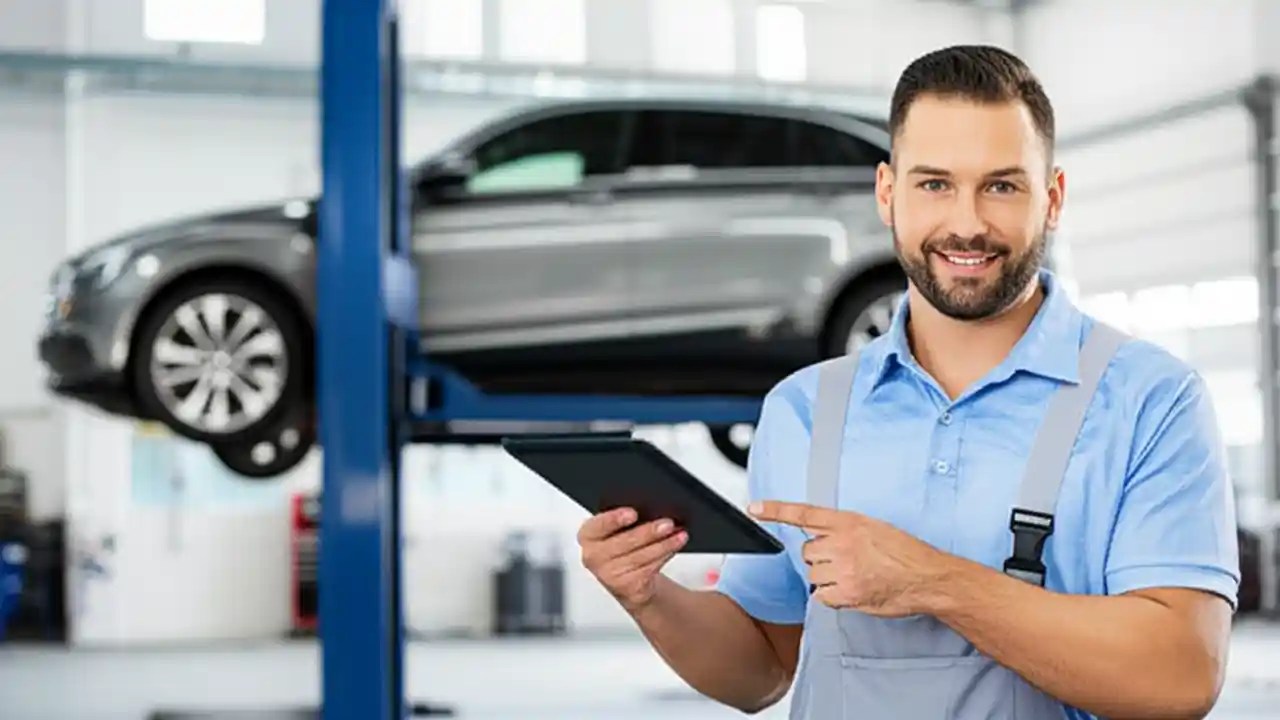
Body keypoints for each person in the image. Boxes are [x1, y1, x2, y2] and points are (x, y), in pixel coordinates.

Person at [576, 44, 1240, 720]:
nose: (968, 222)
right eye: (935, 184)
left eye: (1002, 185)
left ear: (1054, 197)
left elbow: (1180, 677)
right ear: (888, 193)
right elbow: (762, 670)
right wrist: (649, 597)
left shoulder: (1151, 401)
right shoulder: (805, 410)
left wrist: (931, 582)